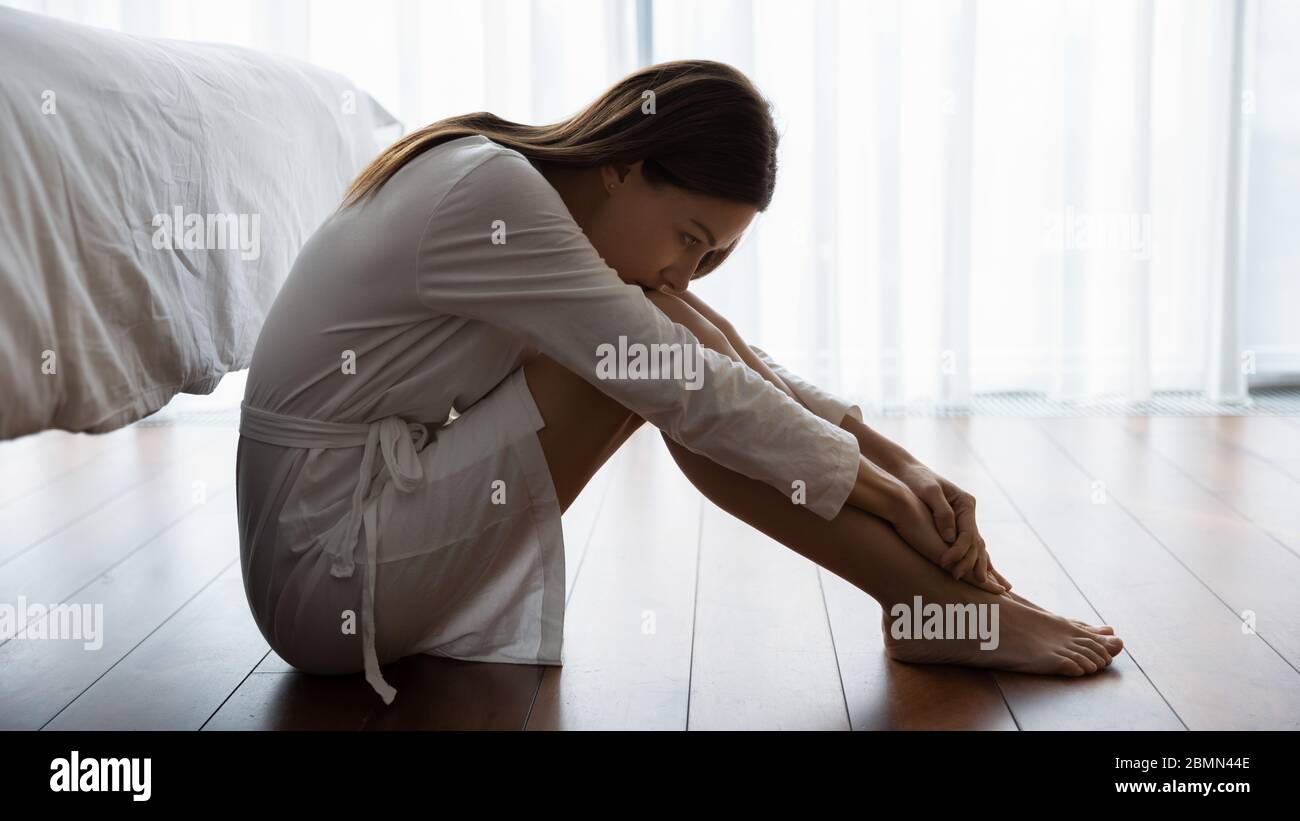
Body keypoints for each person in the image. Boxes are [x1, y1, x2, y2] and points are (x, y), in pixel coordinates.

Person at [235, 59, 1122, 706]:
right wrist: (888, 495)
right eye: (691, 239)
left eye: (711, 256)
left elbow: (729, 356)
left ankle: (931, 608)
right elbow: (695, 387)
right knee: (651, 370)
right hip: (327, 576)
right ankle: (933, 608)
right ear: (626, 164)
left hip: (361, 524)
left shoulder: (522, 189)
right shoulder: (495, 200)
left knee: (668, 343)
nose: (686, 272)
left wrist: (903, 465)